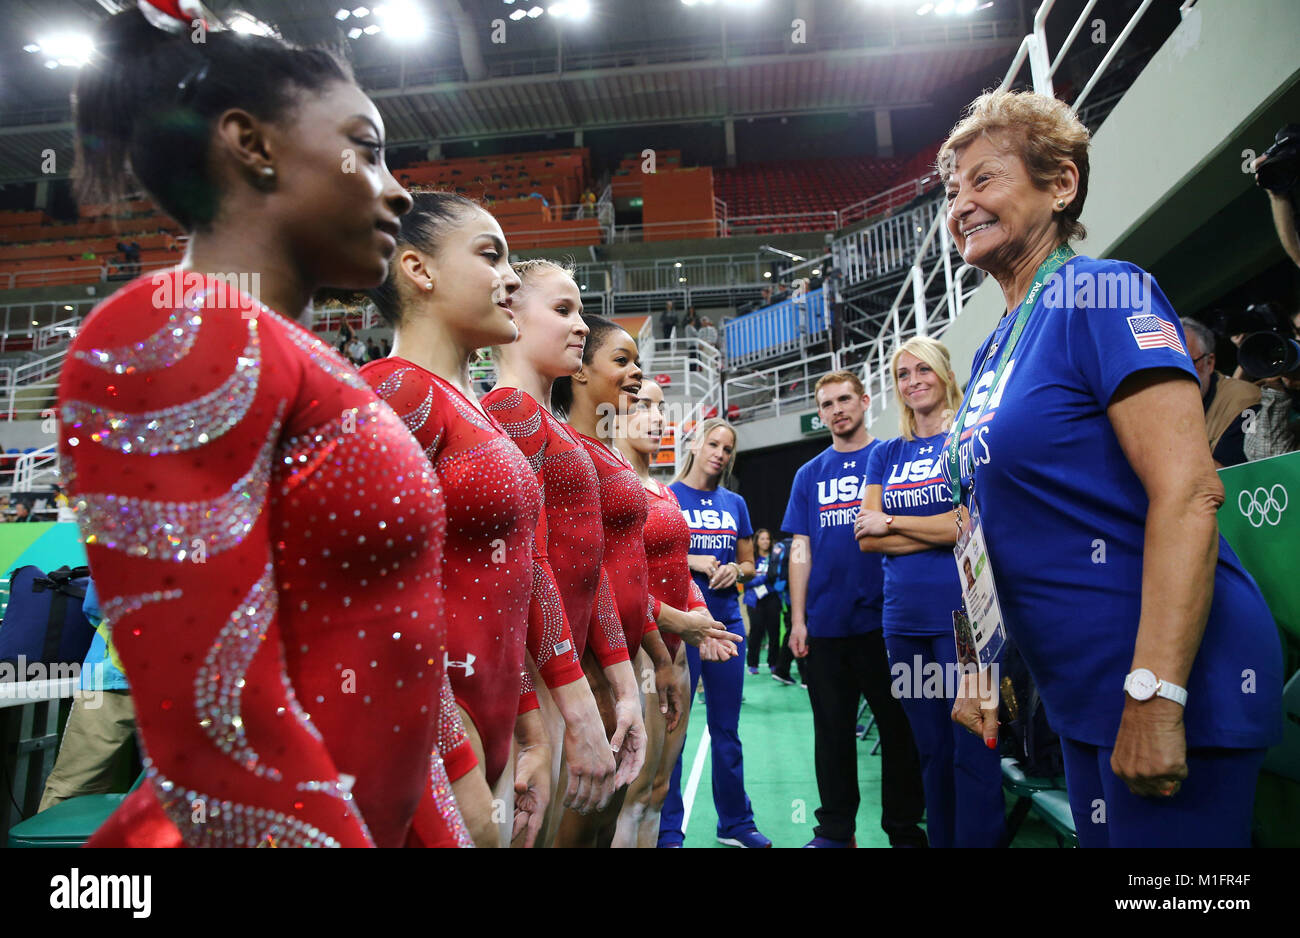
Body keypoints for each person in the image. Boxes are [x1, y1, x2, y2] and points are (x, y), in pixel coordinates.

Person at [60, 3, 471, 848]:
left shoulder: (310, 365)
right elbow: (214, 727)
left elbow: (392, 645)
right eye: (367, 146)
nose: (398, 188)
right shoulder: (177, 329)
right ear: (252, 144)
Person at [941, 89, 1282, 847]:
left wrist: (1158, 695)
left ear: (1060, 185)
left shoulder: (1104, 291)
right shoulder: (998, 343)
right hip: (1085, 692)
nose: (961, 202)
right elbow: (973, 524)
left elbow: (1190, 490)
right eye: (951, 189)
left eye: (984, 179)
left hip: (1168, 678)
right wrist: (976, 661)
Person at [361, 192, 589, 848]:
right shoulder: (394, 392)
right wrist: (453, 762)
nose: (511, 279)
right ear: (419, 270)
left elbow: (513, 580)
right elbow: (378, 612)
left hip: (483, 732)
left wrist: (531, 732)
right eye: (491, 256)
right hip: (423, 748)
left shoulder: (482, 415)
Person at [482, 259, 652, 847]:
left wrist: (621, 682)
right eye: (563, 311)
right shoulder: (509, 413)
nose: (581, 326)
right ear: (512, 314)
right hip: (536, 673)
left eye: (580, 311)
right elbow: (531, 565)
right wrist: (565, 693)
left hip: (563, 669)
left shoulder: (541, 419)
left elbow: (592, 565)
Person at [552, 313, 732, 846]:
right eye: (623, 363)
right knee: (594, 805)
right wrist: (674, 629)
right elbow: (597, 577)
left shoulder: (646, 485)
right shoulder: (573, 453)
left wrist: (680, 632)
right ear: (581, 371)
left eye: (640, 367)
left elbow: (659, 568)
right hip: (596, 655)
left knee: (645, 790)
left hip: (649, 646)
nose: (651, 410)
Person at [855, 336, 1005, 848]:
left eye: (924, 370)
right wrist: (926, 525)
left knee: (975, 745)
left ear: (944, 375)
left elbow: (964, 526)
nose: (914, 380)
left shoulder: (966, 439)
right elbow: (865, 537)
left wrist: (893, 519)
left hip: (967, 619)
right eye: (903, 373)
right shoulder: (885, 453)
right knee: (931, 751)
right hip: (902, 623)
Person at [781, 371, 926, 848]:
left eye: (845, 399)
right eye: (827, 403)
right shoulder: (808, 474)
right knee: (833, 734)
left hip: (887, 623)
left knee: (899, 732)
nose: (837, 409)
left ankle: (904, 832)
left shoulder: (890, 456)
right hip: (825, 626)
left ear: (865, 401)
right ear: (820, 413)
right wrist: (798, 619)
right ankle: (836, 833)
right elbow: (800, 549)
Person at [612, 378, 735, 848]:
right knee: (630, 793)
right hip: (638, 653)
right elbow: (611, 584)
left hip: (678, 654)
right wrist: (679, 622)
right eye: (643, 406)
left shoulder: (662, 491)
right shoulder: (609, 483)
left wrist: (701, 622)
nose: (658, 419)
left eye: (661, 409)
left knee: (657, 792)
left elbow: (678, 572)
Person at [661, 417, 771, 848]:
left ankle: (736, 823)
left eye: (727, 449)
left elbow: (750, 564)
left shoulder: (735, 503)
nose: (720, 454)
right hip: (684, 629)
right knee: (676, 730)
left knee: (727, 728)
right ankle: (668, 829)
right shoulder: (667, 495)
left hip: (726, 626)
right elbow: (649, 553)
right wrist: (692, 561)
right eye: (713, 444)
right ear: (693, 444)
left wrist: (734, 569)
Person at [1179, 317, 1260, 468]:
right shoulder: (1158, 409)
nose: (1177, 375)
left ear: (1209, 363)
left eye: (1186, 364)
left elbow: (1234, 478)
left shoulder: (1243, 403)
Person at [743, 529, 782, 676]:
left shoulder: (775, 557)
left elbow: (778, 576)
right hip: (754, 600)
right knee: (756, 631)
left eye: (768, 539)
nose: (765, 541)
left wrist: (766, 579)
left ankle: (774, 664)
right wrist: (764, 578)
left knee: (774, 632)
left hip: (772, 597)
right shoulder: (750, 558)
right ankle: (752, 664)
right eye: (762, 539)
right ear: (757, 541)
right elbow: (745, 582)